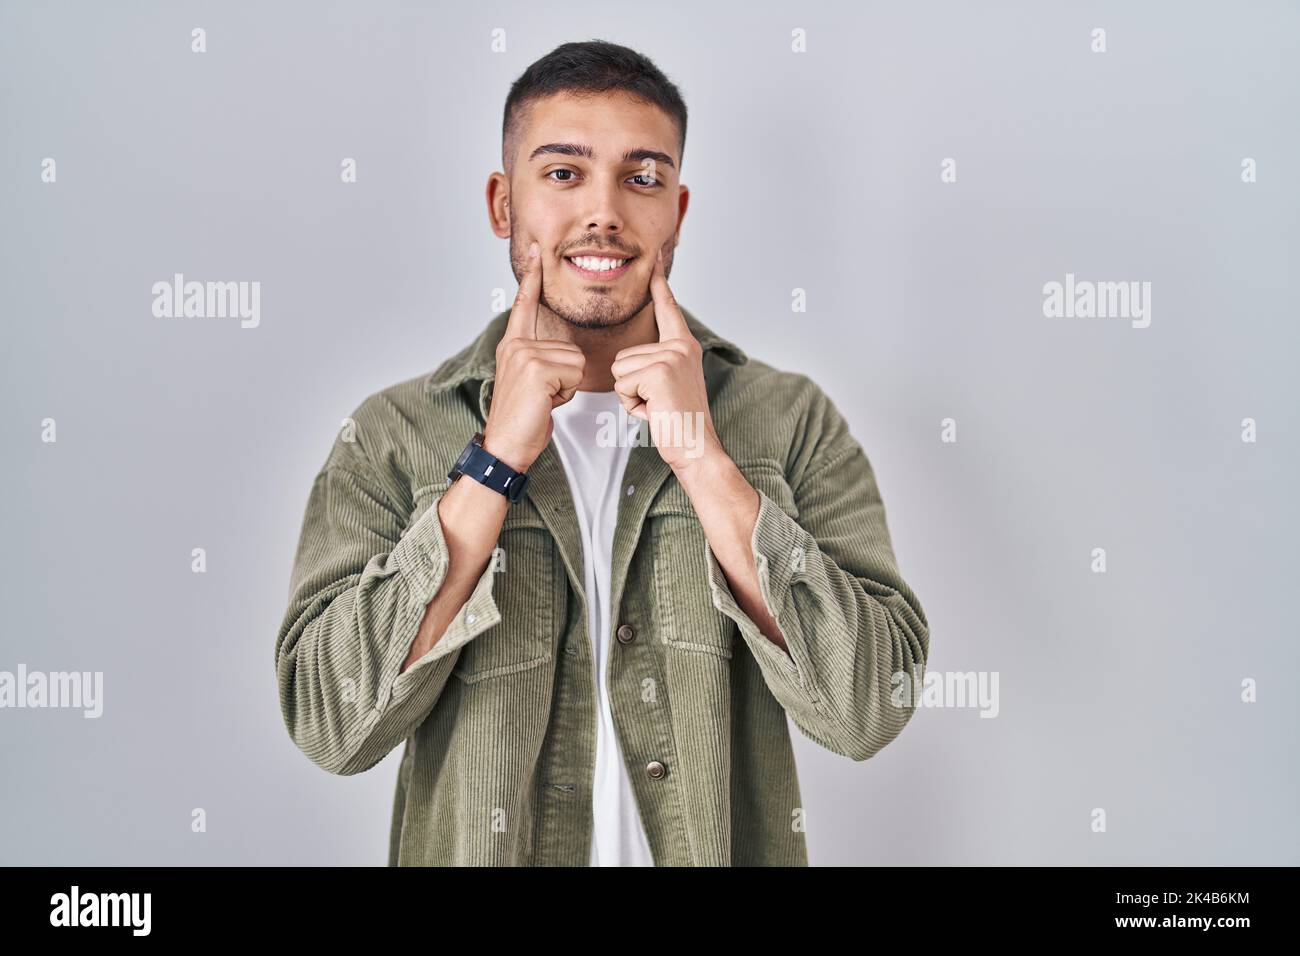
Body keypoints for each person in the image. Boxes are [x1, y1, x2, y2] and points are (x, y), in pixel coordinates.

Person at [274, 39, 930, 866]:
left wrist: (702, 459)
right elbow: (332, 727)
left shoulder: (790, 419)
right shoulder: (392, 433)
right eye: (563, 174)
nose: (605, 213)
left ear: (679, 212)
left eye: (642, 177)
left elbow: (869, 707)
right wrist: (493, 461)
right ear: (502, 204)